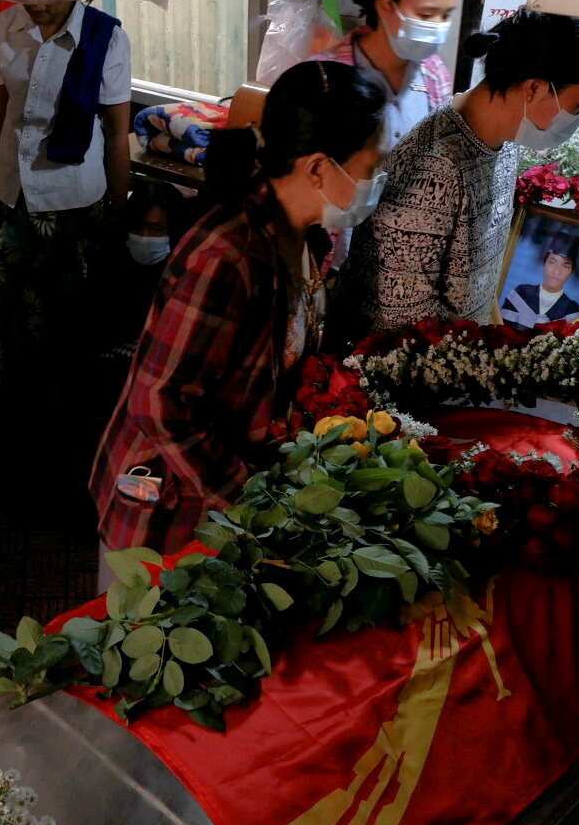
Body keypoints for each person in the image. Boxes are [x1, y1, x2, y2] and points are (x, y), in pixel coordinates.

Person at [91, 61, 387, 562]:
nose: (378, 179)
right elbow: (158, 405)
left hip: (226, 501)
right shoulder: (228, 257)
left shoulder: (307, 234)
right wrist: (253, 500)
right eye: (371, 167)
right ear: (318, 168)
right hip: (167, 510)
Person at [330, 9, 579, 348]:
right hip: (389, 369)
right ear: (535, 88)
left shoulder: (503, 142)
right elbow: (406, 322)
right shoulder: (434, 168)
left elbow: (480, 281)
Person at [0, 0, 132, 400]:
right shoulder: (8, 26)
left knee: (70, 319)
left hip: (74, 202)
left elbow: (116, 134)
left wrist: (118, 206)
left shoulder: (105, 38)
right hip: (11, 193)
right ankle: (12, 407)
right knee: (12, 314)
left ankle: (64, 418)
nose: (36, 0)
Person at [321, 0, 460, 147]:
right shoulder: (326, 77)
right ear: (385, 5)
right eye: (425, 14)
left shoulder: (434, 74)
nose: (437, 27)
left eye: (446, 15)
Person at [501, 244, 579, 327]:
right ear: (544, 263)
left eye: (565, 266)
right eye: (552, 262)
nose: (557, 271)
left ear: (571, 272)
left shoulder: (572, 311)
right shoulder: (521, 293)